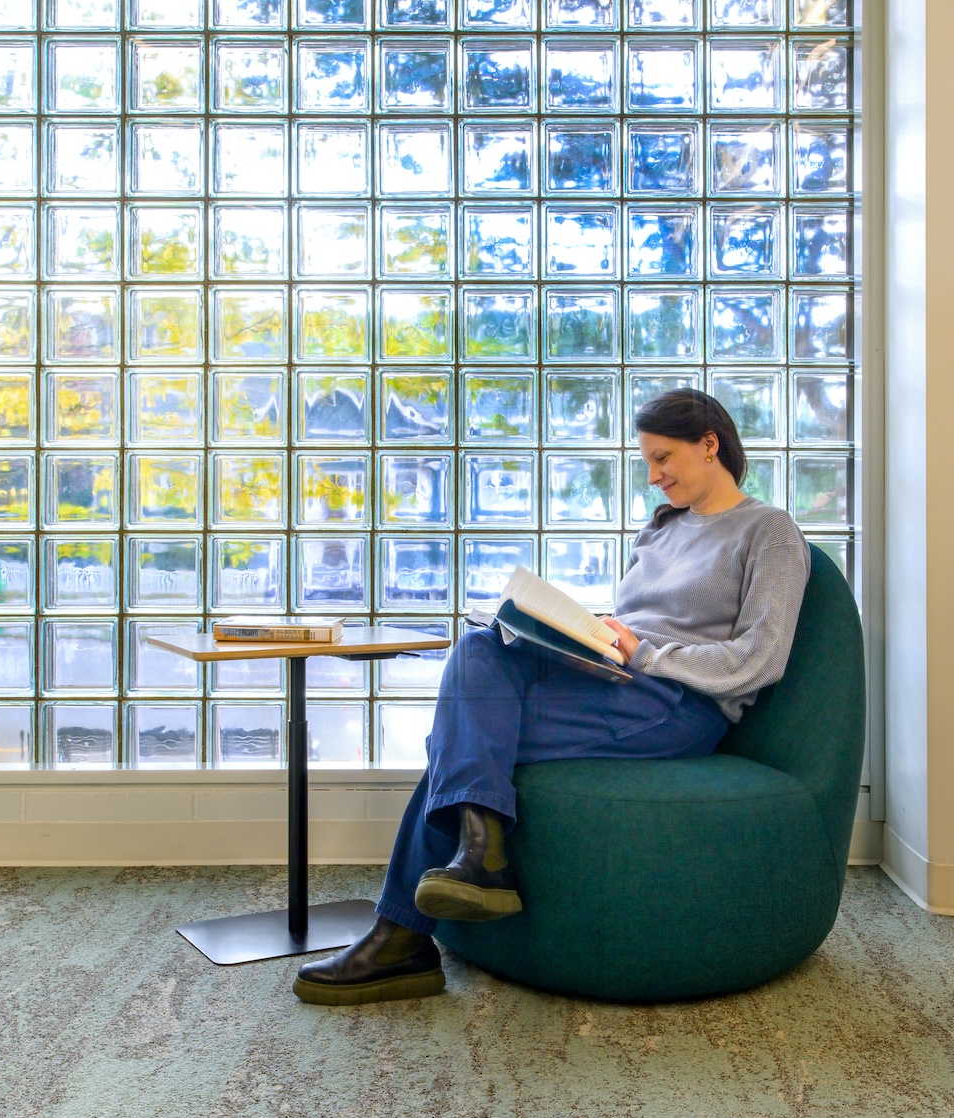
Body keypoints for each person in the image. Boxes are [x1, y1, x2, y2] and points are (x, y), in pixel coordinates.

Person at [294, 387, 811, 1005]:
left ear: (710, 444)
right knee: (481, 648)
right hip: (619, 682)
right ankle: (475, 860)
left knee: (462, 735)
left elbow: (760, 659)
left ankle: (407, 930)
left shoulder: (768, 530)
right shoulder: (662, 531)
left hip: (679, 708)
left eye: (663, 458)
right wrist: (583, 635)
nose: (653, 477)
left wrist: (646, 654)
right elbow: (635, 628)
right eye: (646, 462)